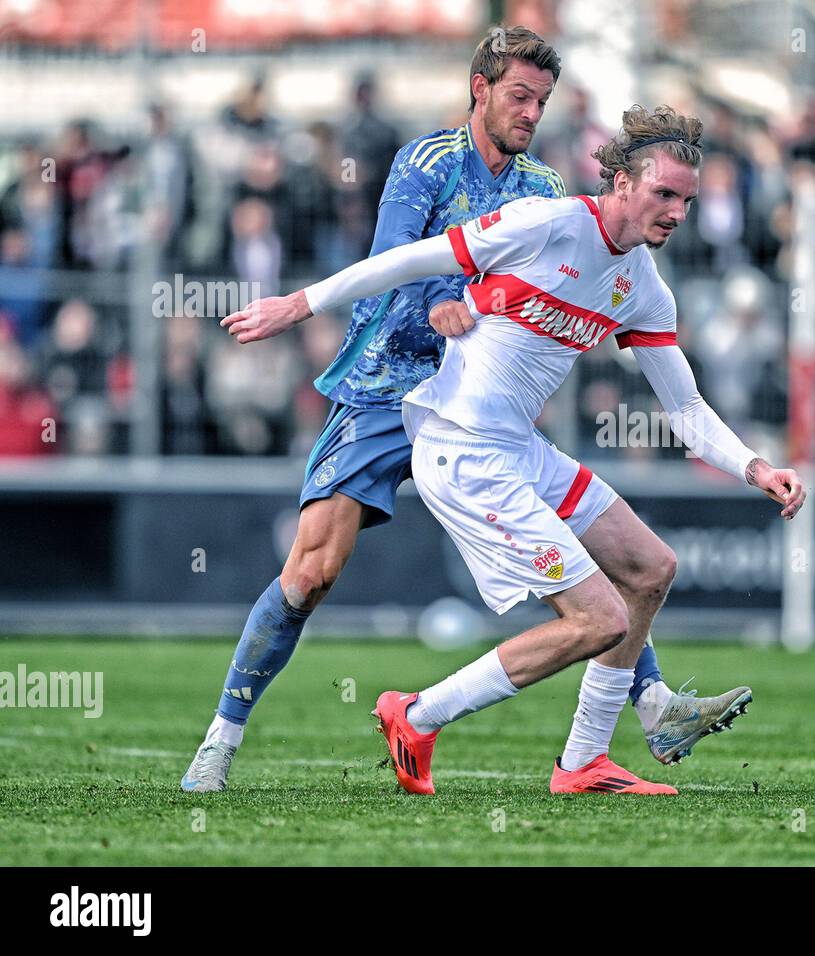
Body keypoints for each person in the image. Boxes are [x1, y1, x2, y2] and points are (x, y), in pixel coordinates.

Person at [182, 31, 749, 793]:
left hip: (477, 397)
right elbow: (399, 258)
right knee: (311, 573)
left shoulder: (544, 187)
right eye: (519, 96)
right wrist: (435, 304)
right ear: (478, 89)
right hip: (388, 382)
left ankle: (648, 705)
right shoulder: (426, 162)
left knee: (600, 572)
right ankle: (221, 736)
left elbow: (579, 276)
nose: (531, 113)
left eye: (542, 102)